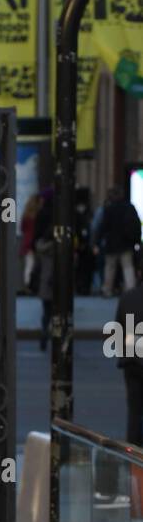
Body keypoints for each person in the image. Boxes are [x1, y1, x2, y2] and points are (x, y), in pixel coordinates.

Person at [114, 270, 143, 445]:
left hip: (131, 361)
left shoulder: (127, 297)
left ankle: (133, 453)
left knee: (134, 412)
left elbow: (119, 330)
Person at [97, 185, 141, 298]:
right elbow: (135, 225)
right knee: (128, 267)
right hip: (126, 243)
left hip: (111, 243)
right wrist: (136, 240)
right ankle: (130, 291)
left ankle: (107, 290)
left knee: (110, 267)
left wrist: (97, 241)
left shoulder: (109, 208)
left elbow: (103, 226)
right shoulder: (129, 207)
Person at [33, 188, 55, 351]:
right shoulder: (58, 214)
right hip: (59, 281)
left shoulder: (42, 247)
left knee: (46, 312)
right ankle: (57, 337)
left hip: (46, 281)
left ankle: (44, 333)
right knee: (58, 311)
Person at [19, 194, 41, 294]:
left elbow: (22, 228)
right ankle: (35, 285)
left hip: (27, 241)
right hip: (37, 240)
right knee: (38, 264)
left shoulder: (26, 214)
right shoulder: (39, 214)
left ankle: (28, 285)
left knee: (29, 265)